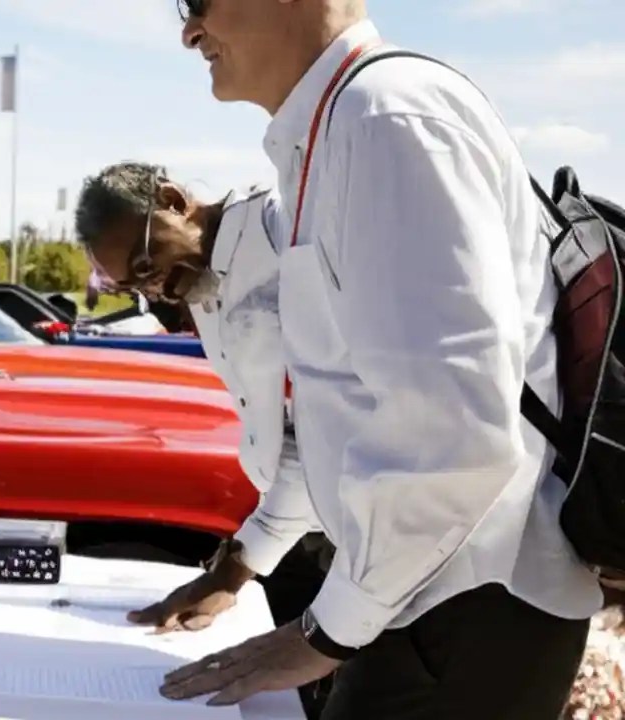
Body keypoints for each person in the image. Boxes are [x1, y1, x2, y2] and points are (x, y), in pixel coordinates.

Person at [145, 1, 603, 718]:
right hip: (423, 604)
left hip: (464, 613)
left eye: (198, 0)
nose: (189, 30)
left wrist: (326, 633)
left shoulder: (387, 121)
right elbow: (344, 417)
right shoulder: (341, 129)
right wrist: (253, 574)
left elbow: (454, 434)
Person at [74, 160, 336, 718]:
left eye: (148, 263)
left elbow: (320, 441)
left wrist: (232, 572)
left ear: (172, 200)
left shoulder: (284, 231)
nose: (156, 288)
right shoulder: (202, 278)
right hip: (317, 525)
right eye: (133, 284)